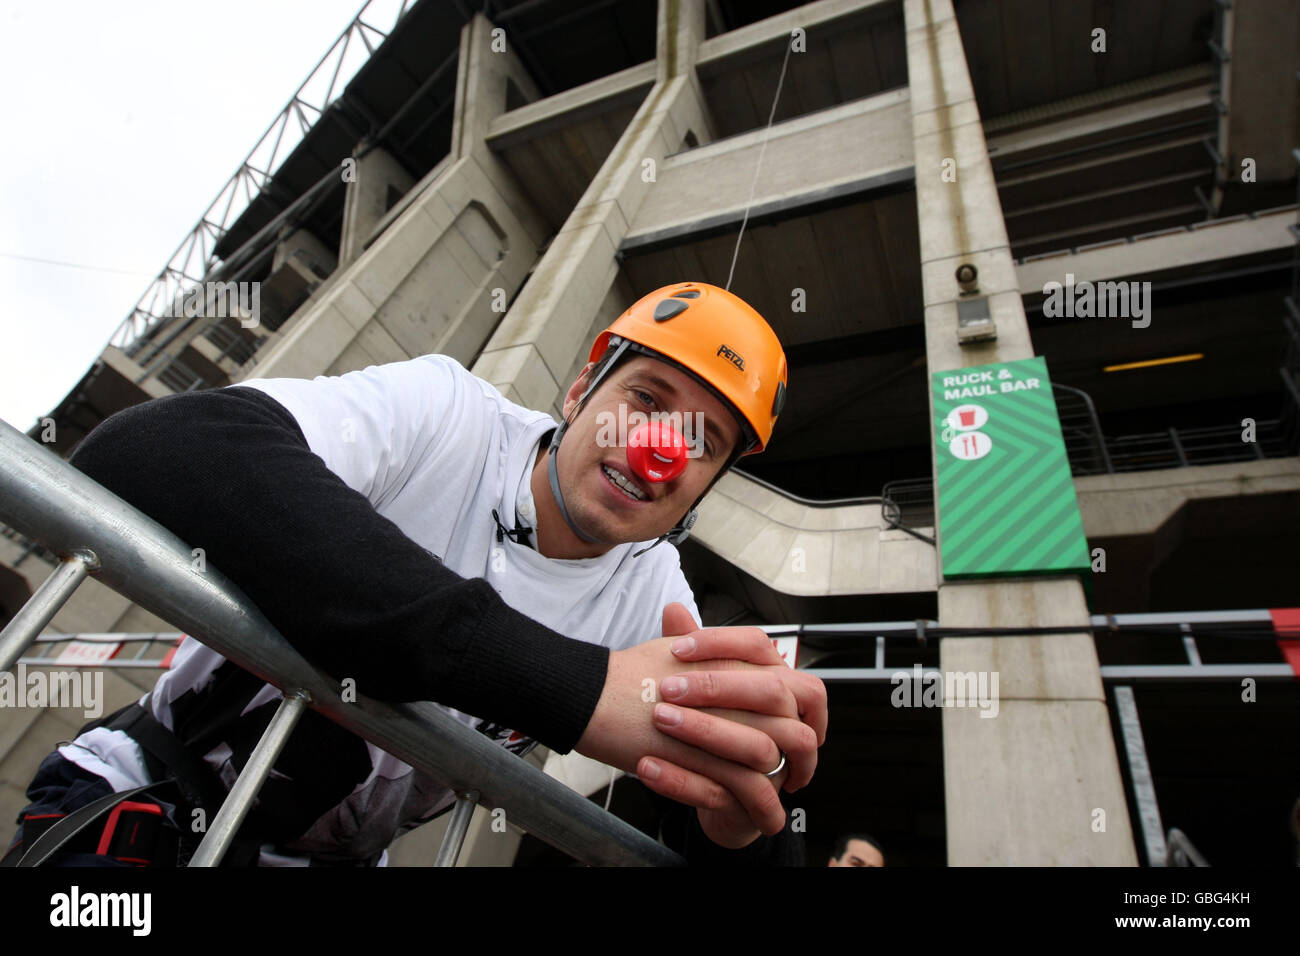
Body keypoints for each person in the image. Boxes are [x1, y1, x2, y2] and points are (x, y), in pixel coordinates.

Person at [2, 280, 826, 867]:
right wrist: (575, 690)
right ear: (582, 386)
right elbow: (161, 447)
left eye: (706, 443)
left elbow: (723, 815)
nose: (663, 451)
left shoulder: (656, 598)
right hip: (132, 798)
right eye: (648, 399)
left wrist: (736, 829)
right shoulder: (448, 414)